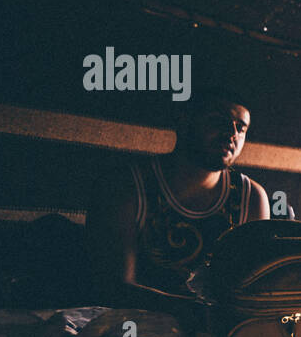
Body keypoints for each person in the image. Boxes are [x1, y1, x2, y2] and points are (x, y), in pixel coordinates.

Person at [86, 90, 270, 324]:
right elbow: (113, 289)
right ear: (183, 121)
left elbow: (250, 290)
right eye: (218, 121)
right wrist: (198, 312)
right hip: (131, 331)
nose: (231, 134)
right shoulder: (125, 186)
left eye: (240, 127)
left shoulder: (250, 197)